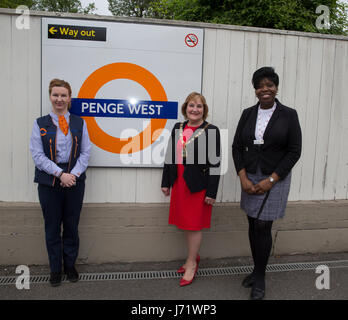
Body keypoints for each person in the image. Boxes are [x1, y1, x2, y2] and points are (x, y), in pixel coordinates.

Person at [232, 67, 302, 300]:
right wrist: (242, 176)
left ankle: (260, 277)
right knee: (253, 224)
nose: (265, 89)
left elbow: (294, 151)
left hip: (276, 177)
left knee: (263, 226)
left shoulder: (289, 115)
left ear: (276, 88)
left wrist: (272, 179)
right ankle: (256, 268)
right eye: (260, 85)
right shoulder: (247, 113)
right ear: (255, 90)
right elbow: (237, 147)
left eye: (269, 84)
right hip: (250, 175)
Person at [30, 79, 91, 287]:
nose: (59, 99)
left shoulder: (79, 123)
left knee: (72, 226)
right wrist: (60, 174)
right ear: (50, 96)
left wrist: (71, 175)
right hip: (49, 183)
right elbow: (37, 155)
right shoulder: (40, 123)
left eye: (63, 95)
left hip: (74, 181)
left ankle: (70, 266)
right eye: (55, 95)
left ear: (69, 98)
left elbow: (85, 152)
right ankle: (55, 269)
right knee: (52, 227)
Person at [161, 92, 221, 287]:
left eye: (199, 106)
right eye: (191, 106)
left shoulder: (211, 130)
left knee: (194, 225)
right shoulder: (177, 127)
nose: (195, 110)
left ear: (204, 110)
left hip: (198, 186)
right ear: (185, 108)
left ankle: (192, 264)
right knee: (185, 223)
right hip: (179, 182)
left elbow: (215, 163)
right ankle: (191, 257)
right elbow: (170, 155)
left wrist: (212, 192)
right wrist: (166, 182)